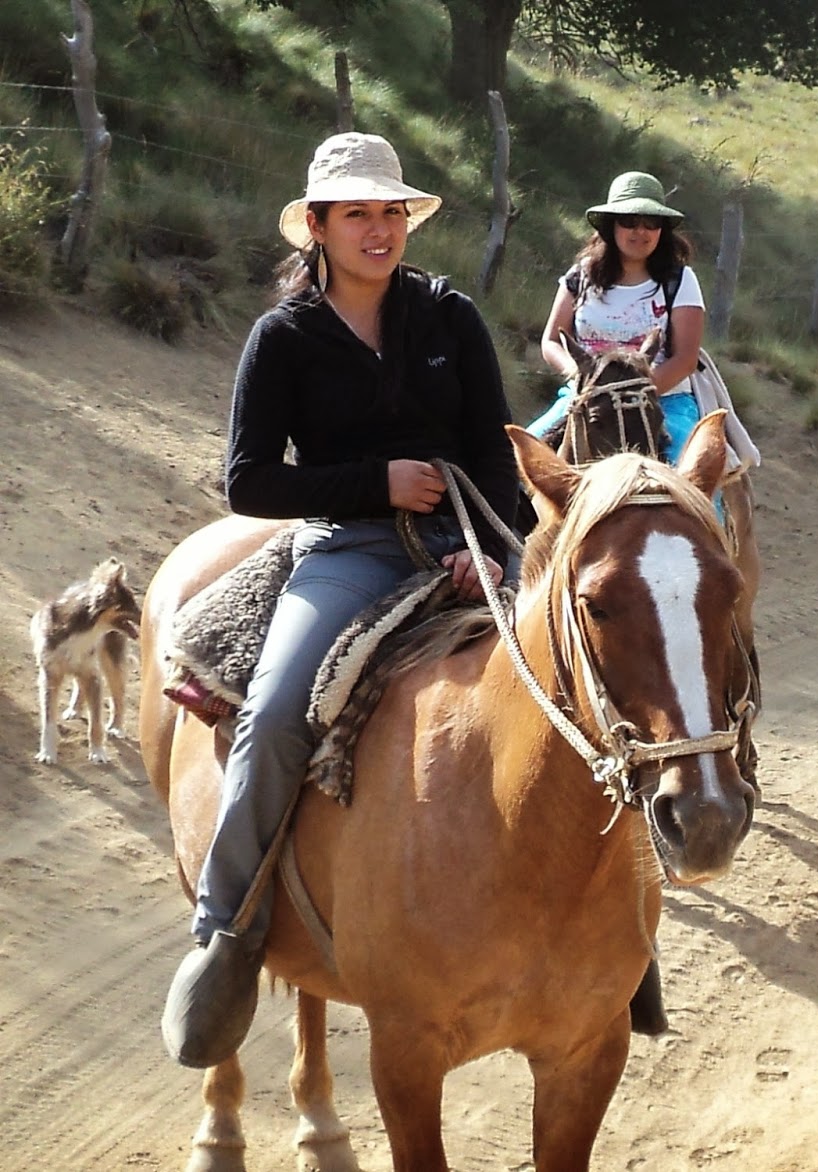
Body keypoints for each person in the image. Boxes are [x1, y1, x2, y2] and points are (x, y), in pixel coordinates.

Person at [162, 132, 520, 1068]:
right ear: (317, 225)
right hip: (349, 548)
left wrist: (495, 556)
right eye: (357, 212)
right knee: (277, 712)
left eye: (391, 211)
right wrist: (378, 484)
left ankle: (621, 942)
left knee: (589, 671)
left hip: (470, 540)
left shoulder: (450, 317)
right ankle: (227, 930)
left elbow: (494, 455)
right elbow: (248, 483)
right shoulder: (283, 336)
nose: (379, 229)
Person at [532, 171, 707, 462]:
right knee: (519, 464)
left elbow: (685, 359)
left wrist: (635, 397)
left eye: (651, 223)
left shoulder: (680, 280)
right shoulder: (581, 276)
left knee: (691, 481)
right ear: (611, 226)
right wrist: (582, 380)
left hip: (664, 401)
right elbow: (551, 340)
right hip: (587, 400)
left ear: (662, 229)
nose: (640, 232)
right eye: (629, 221)